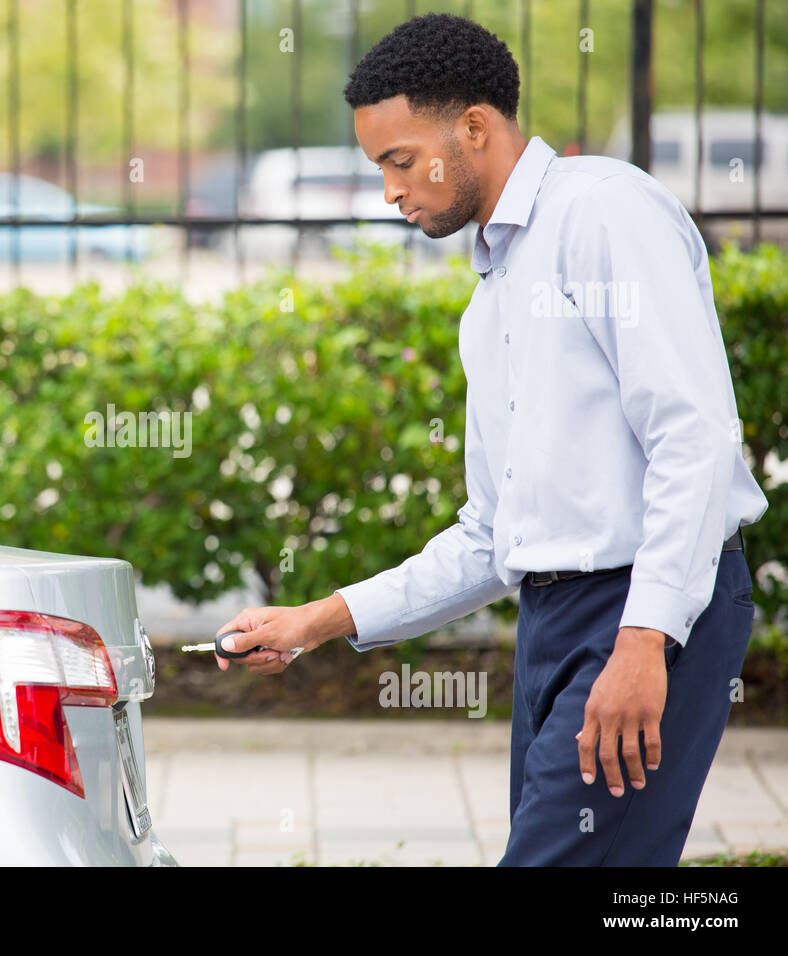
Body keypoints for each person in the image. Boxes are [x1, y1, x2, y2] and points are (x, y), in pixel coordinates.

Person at [214, 12, 769, 866]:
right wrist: (314, 622)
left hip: (648, 610)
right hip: (551, 620)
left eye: (400, 161)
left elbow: (692, 438)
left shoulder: (602, 212)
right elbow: (490, 534)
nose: (391, 191)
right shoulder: (494, 292)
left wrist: (643, 637)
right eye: (379, 169)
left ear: (475, 127)